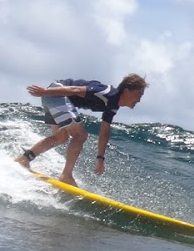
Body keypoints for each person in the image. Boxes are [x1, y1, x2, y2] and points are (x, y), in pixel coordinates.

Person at [14, 74, 147, 187]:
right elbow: (76, 89)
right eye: (139, 94)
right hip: (56, 94)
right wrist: (44, 92)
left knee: (61, 138)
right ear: (127, 91)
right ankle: (66, 175)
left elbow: (104, 132)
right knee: (80, 135)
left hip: (53, 96)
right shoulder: (107, 92)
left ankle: (24, 159)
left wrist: (100, 158)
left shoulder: (113, 106)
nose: (140, 100)